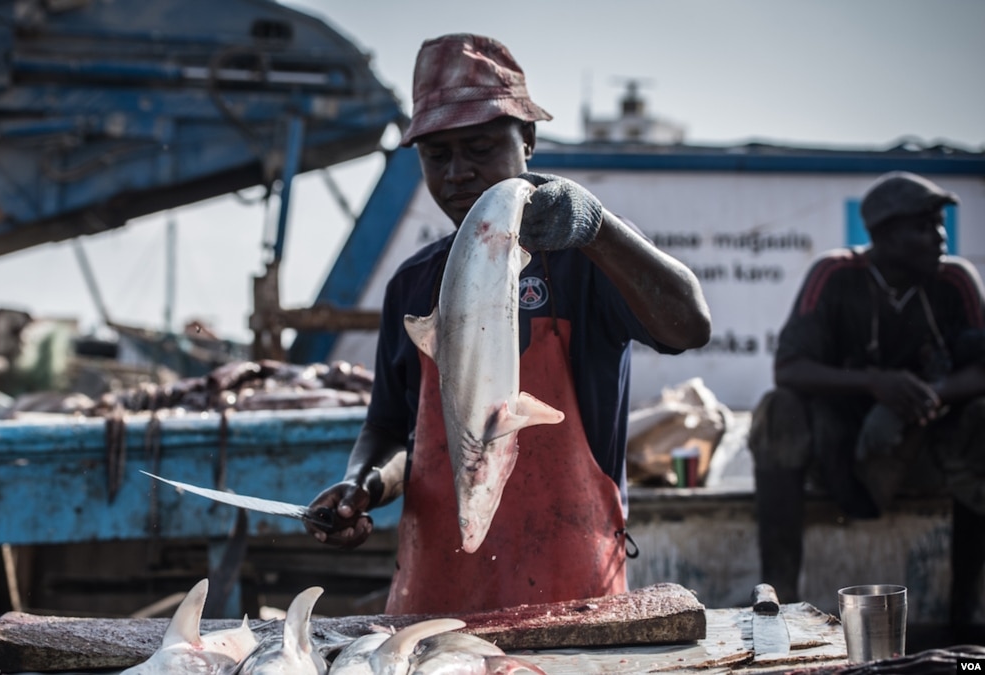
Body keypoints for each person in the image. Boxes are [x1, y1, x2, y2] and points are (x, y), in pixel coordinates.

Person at [303, 33, 711, 615]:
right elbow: (391, 430)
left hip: (576, 599)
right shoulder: (414, 285)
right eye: (437, 157)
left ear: (529, 143)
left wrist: (599, 228)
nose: (459, 173)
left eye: (480, 147)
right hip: (434, 602)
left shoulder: (589, 264)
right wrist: (362, 485)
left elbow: (689, 326)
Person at [749, 171, 985, 637]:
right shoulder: (835, 274)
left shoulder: (955, 280)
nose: (939, 236)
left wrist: (922, 397)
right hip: (841, 455)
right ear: (884, 235)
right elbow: (790, 369)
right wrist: (876, 384)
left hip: (926, 453)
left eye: (939, 224)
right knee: (779, 410)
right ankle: (778, 612)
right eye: (924, 226)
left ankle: (966, 618)